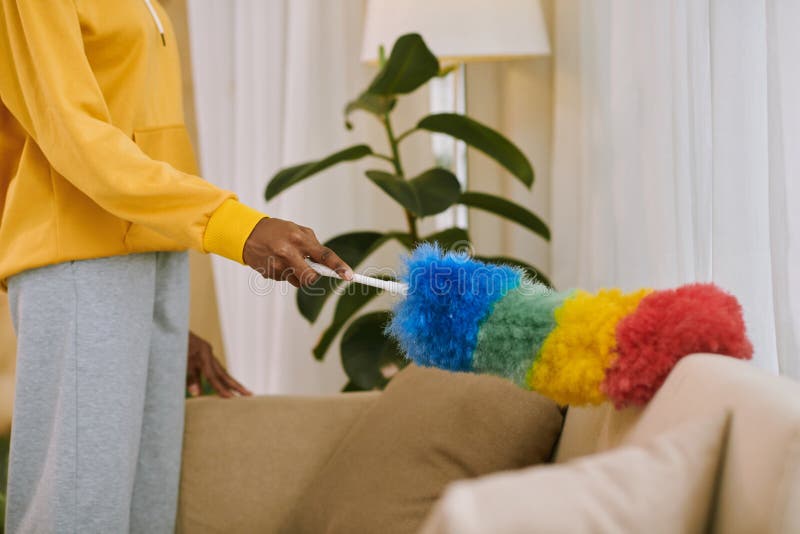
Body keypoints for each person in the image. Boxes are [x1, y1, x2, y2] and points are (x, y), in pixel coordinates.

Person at [0, 1, 353, 532]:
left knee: (147, 511)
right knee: (78, 514)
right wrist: (237, 225)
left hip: (151, 259)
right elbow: (73, 136)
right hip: (77, 262)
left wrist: (147, 317)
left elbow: (144, 143)